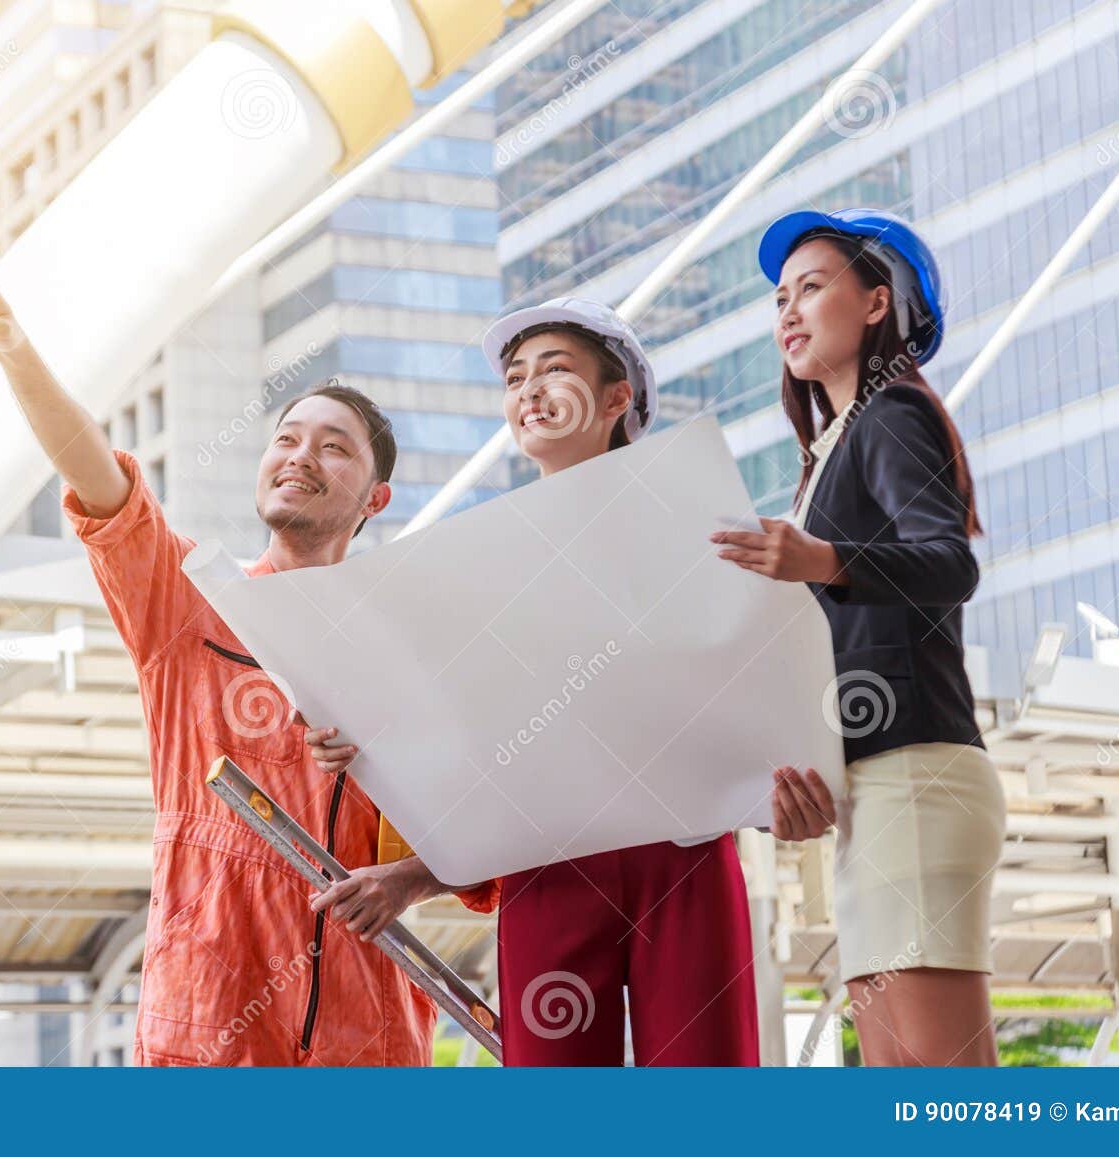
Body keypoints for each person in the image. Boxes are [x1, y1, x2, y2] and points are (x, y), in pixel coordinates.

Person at [0, 250, 497, 1066]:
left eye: (335, 448)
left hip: (368, 1039)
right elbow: (97, 477)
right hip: (207, 1024)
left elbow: (494, 839)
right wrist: (18, 353)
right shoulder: (187, 605)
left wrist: (407, 879)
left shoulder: (414, 654)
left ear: (377, 498)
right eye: (286, 438)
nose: (301, 455)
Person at [312, 297, 828, 1065]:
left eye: (554, 370)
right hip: (546, 866)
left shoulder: (704, 531)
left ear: (618, 398)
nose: (527, 389)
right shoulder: (479, 570)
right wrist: (369, 737)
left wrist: (800, 793)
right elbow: (469, 739)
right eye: (514, 377)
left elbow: (763, 686)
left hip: (682, 852)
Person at [711, 209, 1005, 1066]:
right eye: (778, 299)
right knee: (898, 1081)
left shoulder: (891, 414)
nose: (788, 312)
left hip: (916, 775)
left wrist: (821, 556)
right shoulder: (830, 449)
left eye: (812, 287)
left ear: (878, 303)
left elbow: (950, 563)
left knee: (947, 1089)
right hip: (876, 786)